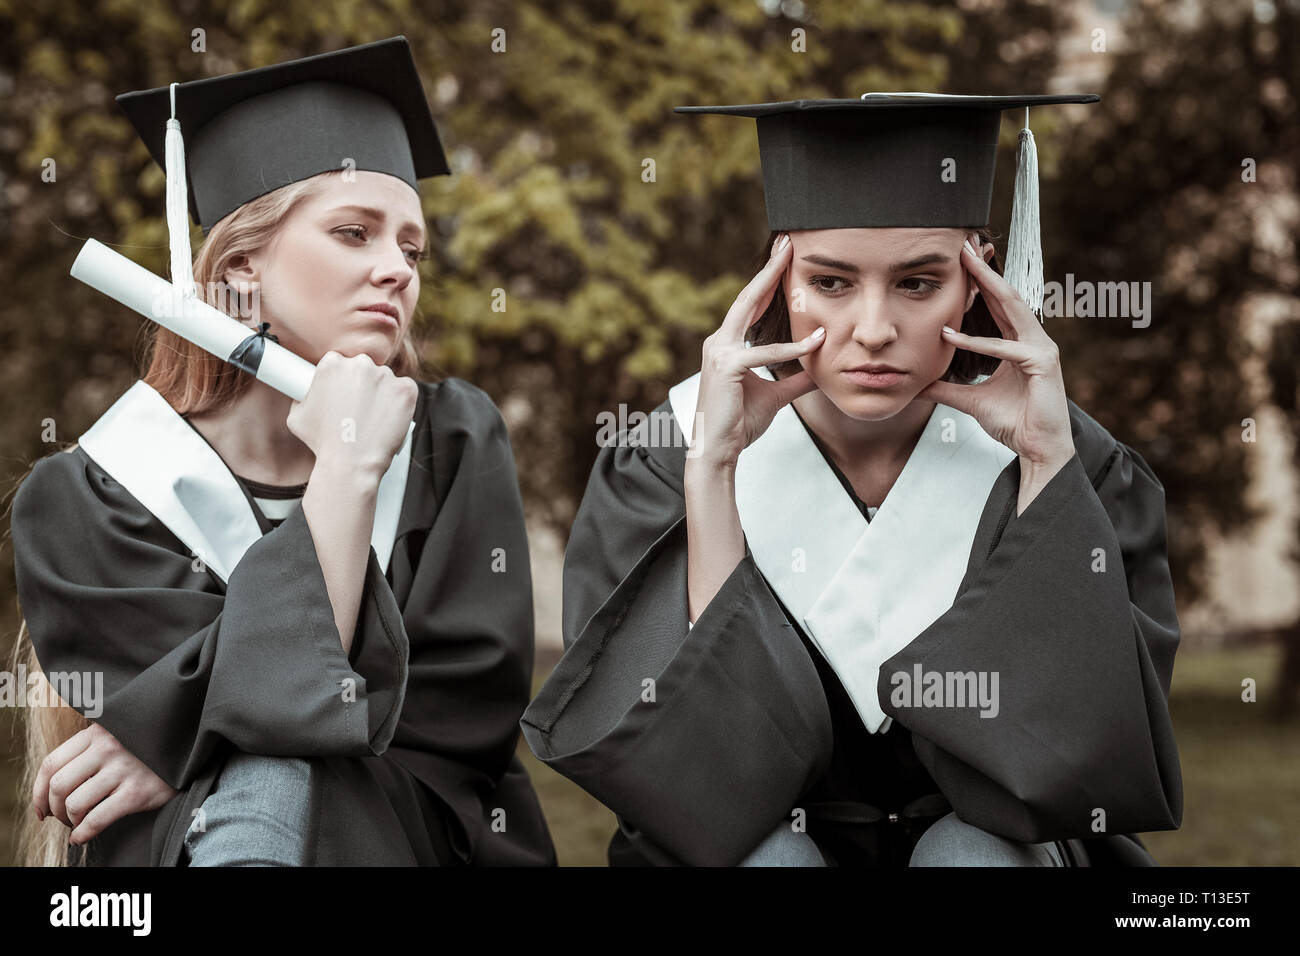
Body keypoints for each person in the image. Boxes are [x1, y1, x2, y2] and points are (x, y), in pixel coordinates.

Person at [521, 93, 1183, 866]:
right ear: (777, 282)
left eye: (917, 283)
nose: (874, 330)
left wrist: (1043, 465)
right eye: (831, 283)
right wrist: (714, 473)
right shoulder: (666, 461)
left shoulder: (1075, 461)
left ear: (979, 281)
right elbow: (698, 776)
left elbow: (1073, 748)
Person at [10, 36, 556, 867]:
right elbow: (244, 716)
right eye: (354, 233)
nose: (397, 271)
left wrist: (170, 732)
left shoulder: (453, 441)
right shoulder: (91, 494)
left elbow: (461, 718)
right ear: (239, 269)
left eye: (411, 249)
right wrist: (344, 470)